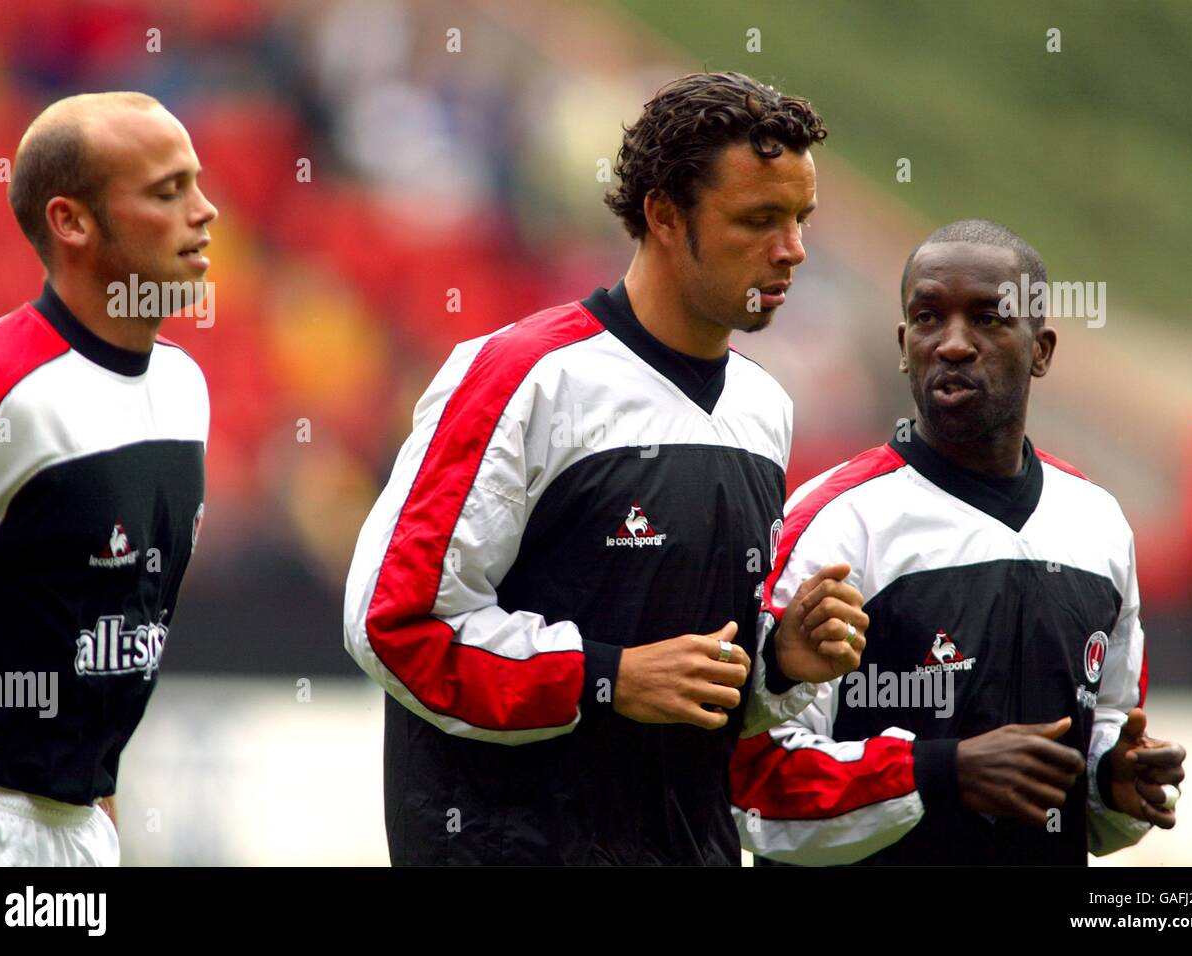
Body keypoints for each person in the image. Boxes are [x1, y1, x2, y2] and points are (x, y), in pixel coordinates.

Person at [343, 71, 869, 865]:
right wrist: (603, 677)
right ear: (663, 214)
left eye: (800, 219)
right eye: (759, 220)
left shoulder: (766, 409)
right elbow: (393, 625)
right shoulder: (519, 376)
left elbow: (691, 677)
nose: (791, 251)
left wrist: (778, 661)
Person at [730, 220, 1186, 865]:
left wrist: (1112, 784)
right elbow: (758, 784)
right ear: (901, 343)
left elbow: (1106, 728)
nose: (952, 345)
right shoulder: (837, 521)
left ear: (1042, 350)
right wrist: (940, 772)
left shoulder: (1098, 523)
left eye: (989, 320)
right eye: (927, 318)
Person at [0, 92, 216, 865]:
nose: (205, 212)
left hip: (79, 833)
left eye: (196, 184)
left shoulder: (184, 390)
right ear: (71, 221)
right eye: (167, 192)